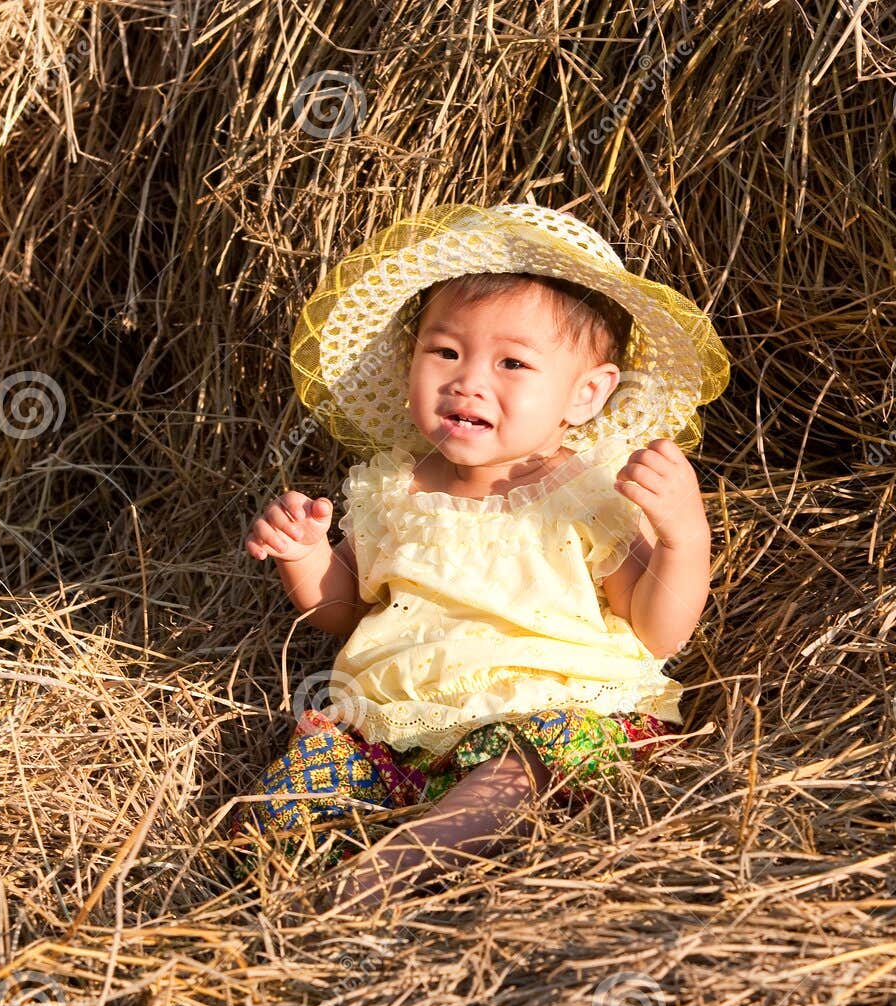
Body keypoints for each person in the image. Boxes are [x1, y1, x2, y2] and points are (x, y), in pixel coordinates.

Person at [231, 202, 729, 915]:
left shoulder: (587, 492)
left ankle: (396, 864)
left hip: (545, 710)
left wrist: (684, 536)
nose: (468, 380)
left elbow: (658, 629)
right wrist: (304, 554)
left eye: (513, 363)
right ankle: (317, 873)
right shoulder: (390, 489)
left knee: (512, 774)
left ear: (586, 395)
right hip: (395, 724)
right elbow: (341, 612)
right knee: (278, 805)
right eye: (446, 352)